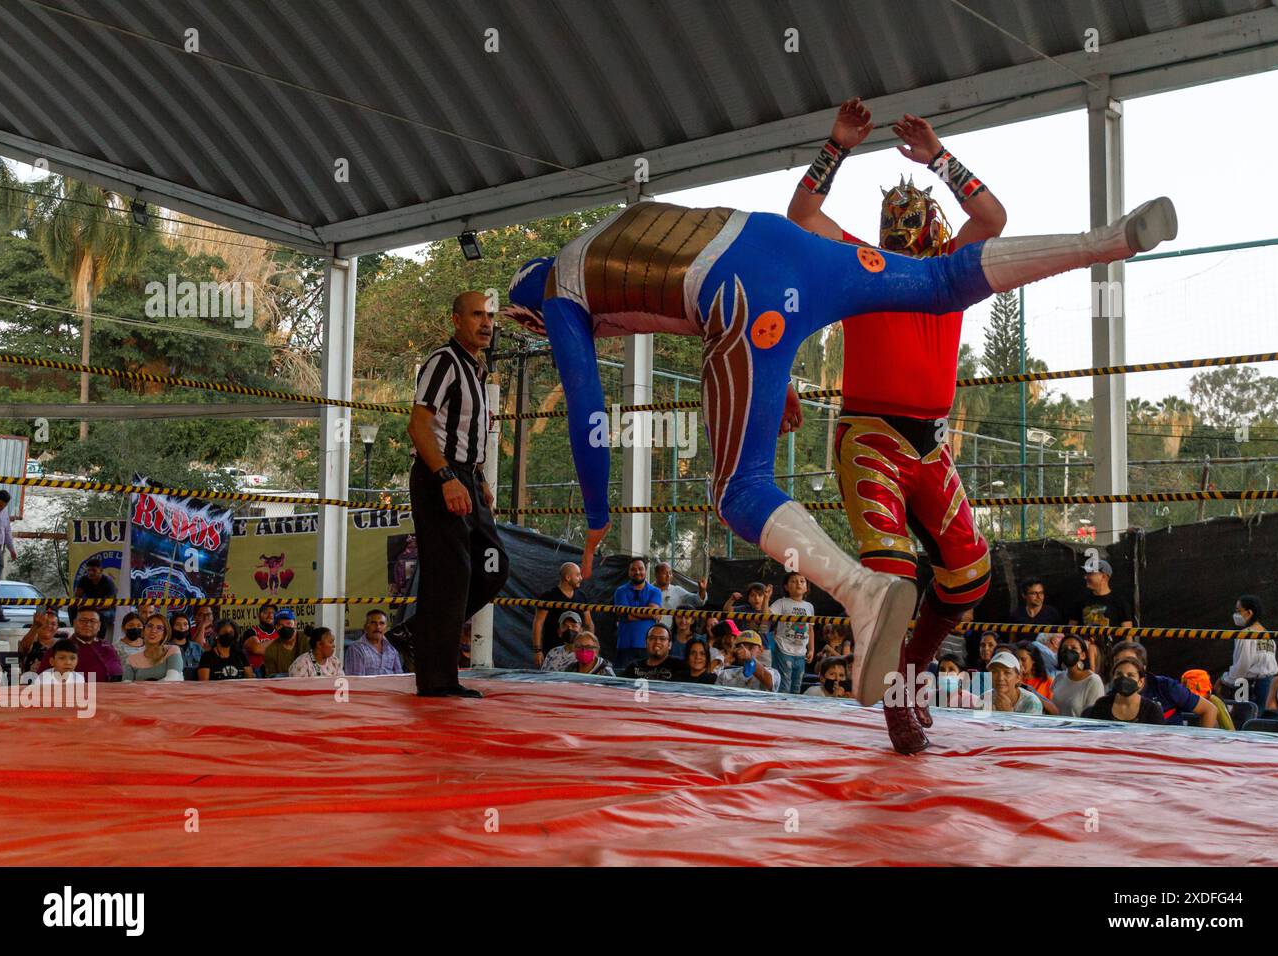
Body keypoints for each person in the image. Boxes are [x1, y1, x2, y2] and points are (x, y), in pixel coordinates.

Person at [503, 188, 1175, 735]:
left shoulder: (563, 293)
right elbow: (717, 304)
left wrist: (595, 516)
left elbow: (589, 414)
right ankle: (1105, 241)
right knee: (944, 281)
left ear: (532, 303)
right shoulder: (611, 232)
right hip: (782, 251)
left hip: (750, 302)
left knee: (741, 491)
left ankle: (862, 592)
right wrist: (776, 378)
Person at [787, 97, 1006, 748]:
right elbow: (801, 216)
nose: (905, 225)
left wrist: (938, 157)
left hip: (931, 448)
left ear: (935, 225)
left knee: (970, 571)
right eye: (896, 216)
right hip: (872, 438)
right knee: (896, 580)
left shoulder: (952, 273)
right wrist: (838, 146)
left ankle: (912, 671)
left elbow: (993, 216)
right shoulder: (862, 264)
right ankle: (895, 703)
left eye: (915, 216)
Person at [407, 291, 509, 698]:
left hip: (466, 475)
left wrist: (477, 477)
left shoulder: (476, 370)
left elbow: (467, 434)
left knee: (493, 567)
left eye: (490, 316)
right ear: (456, 320)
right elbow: (418, 426)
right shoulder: (443, 362)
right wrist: (447, 477)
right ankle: (437, 680)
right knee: (450, 576)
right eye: (477, 315)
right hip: (439, 475)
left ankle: (420, 632)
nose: (486, 323)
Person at [1109, 641, 1217, 727]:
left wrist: (1200, 748)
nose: (1123, 666)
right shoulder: (1108, 700)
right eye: (1117, 662)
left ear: (1143, 667)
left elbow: (1209, 709)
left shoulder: (1166, 687)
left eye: (1130, 662)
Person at [1067, 559, 1133, 675]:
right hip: (1084, 655)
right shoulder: (1081, 601)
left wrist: (1127, 657)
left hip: (1110, 655)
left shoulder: (1119, 602)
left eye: (1091, 573)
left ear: (1104, 577)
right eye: (1086, 573)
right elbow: (1070, 629)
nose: (1086, 577)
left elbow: (1128, 634)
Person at [1221, 595, 1277, 711]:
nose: (1236, 615)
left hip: (1248, 687)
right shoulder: (1269, 636)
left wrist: (1224, 679)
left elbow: (1242, 666)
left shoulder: (1245, 634)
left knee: (1244, 722)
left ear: (1249, 612)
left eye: (1238, 611)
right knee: (1260, 723)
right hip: (1268, 685)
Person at [531, 562, 593, 668]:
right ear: (568, 577)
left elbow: (589, 623)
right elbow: (538, 623)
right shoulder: (549, 596)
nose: (581, 578)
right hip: (552, 649)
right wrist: (538, 650)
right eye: (577, 575)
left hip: (576, 651)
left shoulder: (581, 596)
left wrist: (590, 647)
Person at [38, 607, 120, 682]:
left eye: (93, 621)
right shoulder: (60, 647)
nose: (88, 624)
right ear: (74, 623)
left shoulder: (108, 646)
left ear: (99, 626)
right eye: (83, 620)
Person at [611, 557, 662, 670]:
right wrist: (649, 615)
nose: (637, 572)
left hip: (648, 647)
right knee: (622, 683)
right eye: (633, 569)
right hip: (625, 645)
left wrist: (631, 612)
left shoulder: (655, 591)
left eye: (640, 569)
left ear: (645, 570)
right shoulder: (620, 591)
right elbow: (626, 614)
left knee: (648, 681)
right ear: (629, 572)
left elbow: (651, 612)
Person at [768, 571, 814, 694]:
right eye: (793, 581)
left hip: (800, 652)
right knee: (784, 684)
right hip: (783, 649)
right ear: (786, 587)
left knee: (797, 685)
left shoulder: (809, 606)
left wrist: (811, 649)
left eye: (802, 581)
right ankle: (780, 709)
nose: (798, 583)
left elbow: (810, 629)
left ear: (806, 587)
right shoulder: (782, 603)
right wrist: (766, 599)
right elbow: (767, 615)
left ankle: (793, 710)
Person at [1082, 658, 1165, 725]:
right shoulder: (1102, 704)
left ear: (1141, 681)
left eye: (1130, 675)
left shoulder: (1152, 710)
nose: (1124, 679)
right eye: (1119, 674)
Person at [654, 562, 706, 657]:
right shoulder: (649, 590)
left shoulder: (677, 590)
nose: (669, 576)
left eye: (670, 573)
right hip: (653, 635)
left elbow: (697, 600)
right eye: (665, 573)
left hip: (671, 636)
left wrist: (702, 591)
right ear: (656, 574)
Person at [723, 582, 776, 668]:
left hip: (763, 649)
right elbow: (726, 611)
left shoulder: (768, 611)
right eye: (753, 595)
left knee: (763, 672)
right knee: (744, 672)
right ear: (748, 598)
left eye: (760, 595)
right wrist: (732, 599)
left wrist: (766, 598)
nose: (756, 598)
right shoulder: (743, 609)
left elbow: (765, 617)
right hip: (745, 647)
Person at [1051, 635, 1105, 718]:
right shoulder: (1059, 677)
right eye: (1064, 649)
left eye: (1074, 648)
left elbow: (1093, 716)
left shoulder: (1093, 681)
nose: (1068, 651)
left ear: (1083, 655)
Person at [122, 613, 183, 682]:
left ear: (164, 634)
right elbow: (126, 685)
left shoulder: (172, 650)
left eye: (159, 628)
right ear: (143, 631)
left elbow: (172, 679)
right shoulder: (131, 659)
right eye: (150, 626)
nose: (153, 631)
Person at [344, 609, 405, 676]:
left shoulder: (391, 647)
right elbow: (357, 681)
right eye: (373, 623)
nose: (378, 627)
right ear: (366, 627)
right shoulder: (356, 649)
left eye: (382, 623)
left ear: (386, 628)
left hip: (392, 686)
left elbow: (399, 675)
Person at [716, 631, 781, 692]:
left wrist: (750, 658)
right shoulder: (725, 674)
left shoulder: (773, 673)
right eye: (741, 647)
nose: (745, 651)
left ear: (761, 650)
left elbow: (768, 681)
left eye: (750, 647)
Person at [987, 651, 1044, 715]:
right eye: (994, 672)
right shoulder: (984, 699)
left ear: (1018, 677)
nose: (1000, 678)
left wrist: (1008, 713)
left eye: (1007, 673)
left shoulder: (1032, 702)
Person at [72, 558, 117, 633]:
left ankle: (100, 639)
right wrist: (81, 606)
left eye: (94, 570)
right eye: (88, 570)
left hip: (107, 610)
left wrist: (94, 608)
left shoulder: (108, 582)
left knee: (101, 616)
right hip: (90, 608)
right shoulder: (83, 579)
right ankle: (76, 630)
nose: (90, 573)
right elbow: (77, 596)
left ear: (101, 570)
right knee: (71, 607)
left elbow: (110, 604)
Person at [0, 489, 18, 622]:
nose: (1, 508)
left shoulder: (3, 513)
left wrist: (11, 549)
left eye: (3, 506)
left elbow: (7, 532)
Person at [18, 606, 65, 674]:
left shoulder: (62, 644)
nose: (48, 626)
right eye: (45, 622)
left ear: (57, 628)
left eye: (53, 624)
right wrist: (35, 626)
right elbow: (24, 647)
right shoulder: (31, 642)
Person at [1015, 642, 1058, 715]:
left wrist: (1034, 694)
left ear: (1033, 660)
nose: (1019, 663)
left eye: (1023, 659)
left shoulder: (1047, 681)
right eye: (1017, 659)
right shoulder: (1012, 680)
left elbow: (1054, 711)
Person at [263, 611, 308, 676]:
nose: (285, 627)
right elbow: (272, 678)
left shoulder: (307, 640)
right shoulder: (270, 650)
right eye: (281, 625)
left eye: (289, 623)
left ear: (295, 623)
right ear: (275, 627)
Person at [242, 603, 278, 675]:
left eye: (273, 613)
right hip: (256, 672)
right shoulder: (251, 632)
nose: (270, 615)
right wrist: (280, 643)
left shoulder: (279, 632)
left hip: (276, 671)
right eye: (266, 612)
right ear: (258, 615)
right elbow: (256, 648)